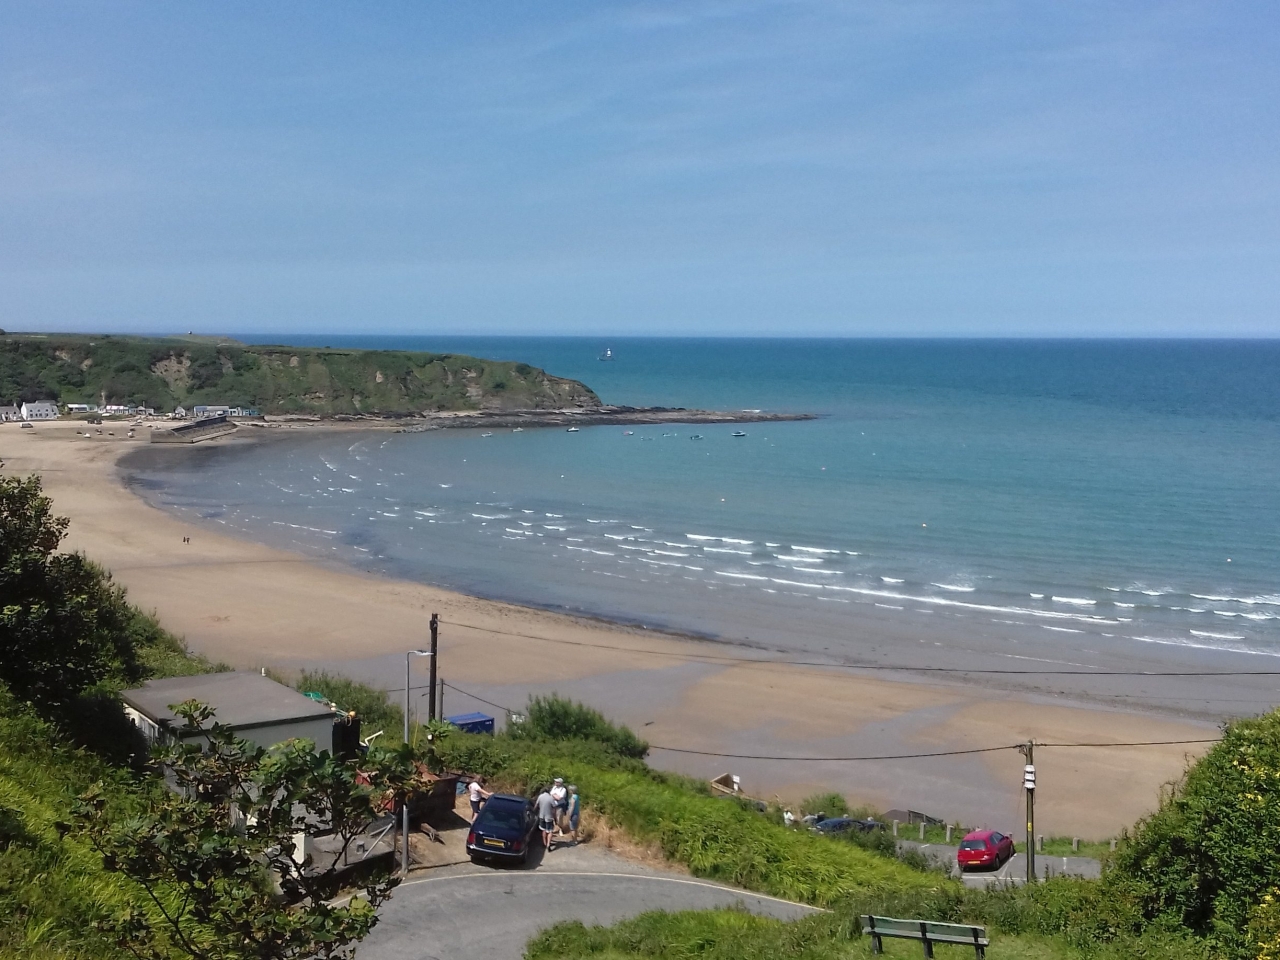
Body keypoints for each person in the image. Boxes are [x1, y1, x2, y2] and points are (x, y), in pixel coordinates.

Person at [534, 786, 557, 851]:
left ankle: (544, 843)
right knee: (550, 831)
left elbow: (536, 805)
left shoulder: (540, 796)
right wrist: (554, 817)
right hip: (549, 817)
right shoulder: (550, 798)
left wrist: (534, 811)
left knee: (543, 830)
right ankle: (548, 844)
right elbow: (554, 808)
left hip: (541, 816)